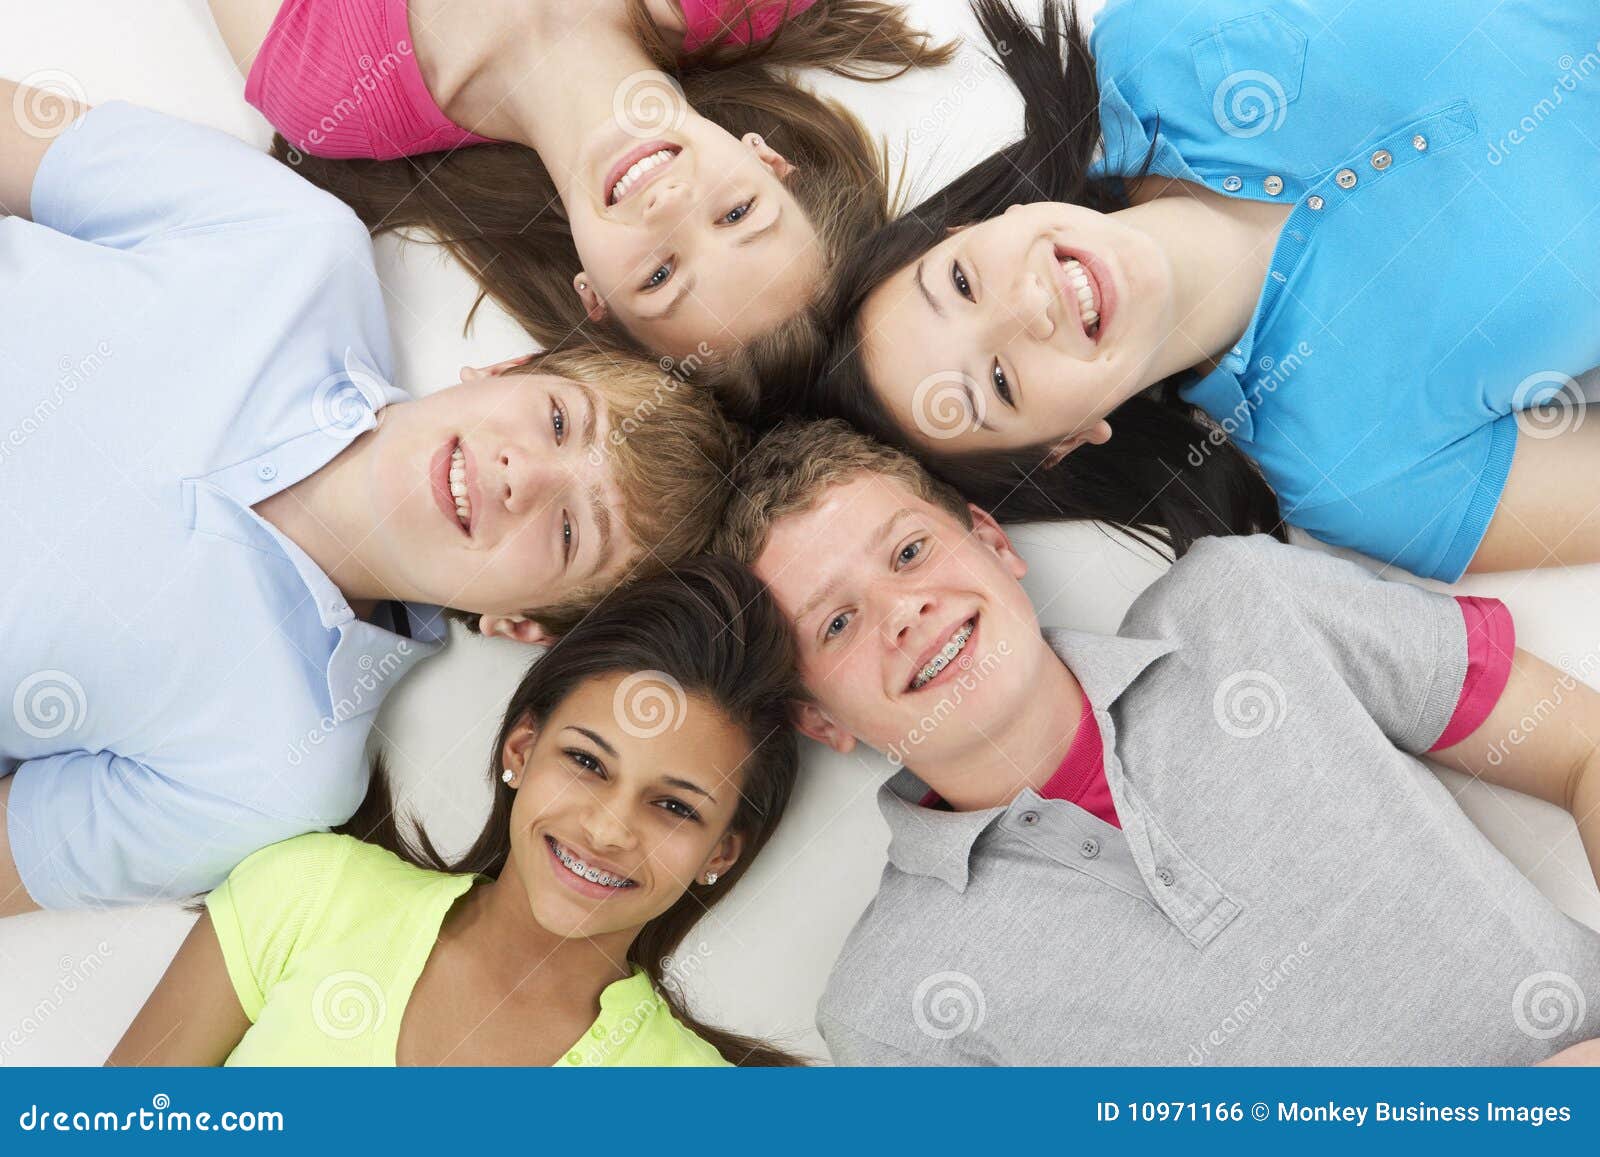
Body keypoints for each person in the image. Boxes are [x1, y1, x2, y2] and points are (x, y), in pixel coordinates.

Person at [0, 85, 739, 915]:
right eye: (558, 420)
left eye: (570, 530)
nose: (521, 474)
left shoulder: (275, 774)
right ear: (505, 371)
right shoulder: (292, 242)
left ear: (522, 623)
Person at [713, 419, 1600, 1065]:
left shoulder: (1244, 601)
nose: (902, 612)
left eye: (908, 553)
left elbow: (1583, 748)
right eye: (836, 623)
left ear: (991, 543)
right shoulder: (893, 1011)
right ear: (820, 719)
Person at [799, 0, 1600, 576]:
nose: (1028, 308)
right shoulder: (1352, 474)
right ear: (1068, 442)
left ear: (973, 226)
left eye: (965, 282)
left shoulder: (1154, 40)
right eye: (1000, 382)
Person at [109, 558, 805, 1066]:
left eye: (675, 806)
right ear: (521, 750)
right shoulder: (307, 893)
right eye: (587, 762)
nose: (607, 829)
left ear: (720, 852)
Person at [207, 0, 953, 410]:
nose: (670, 207)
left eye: (660, 277)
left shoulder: (333, 95)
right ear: (767, 159)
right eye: (736, 217)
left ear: (593, 294)